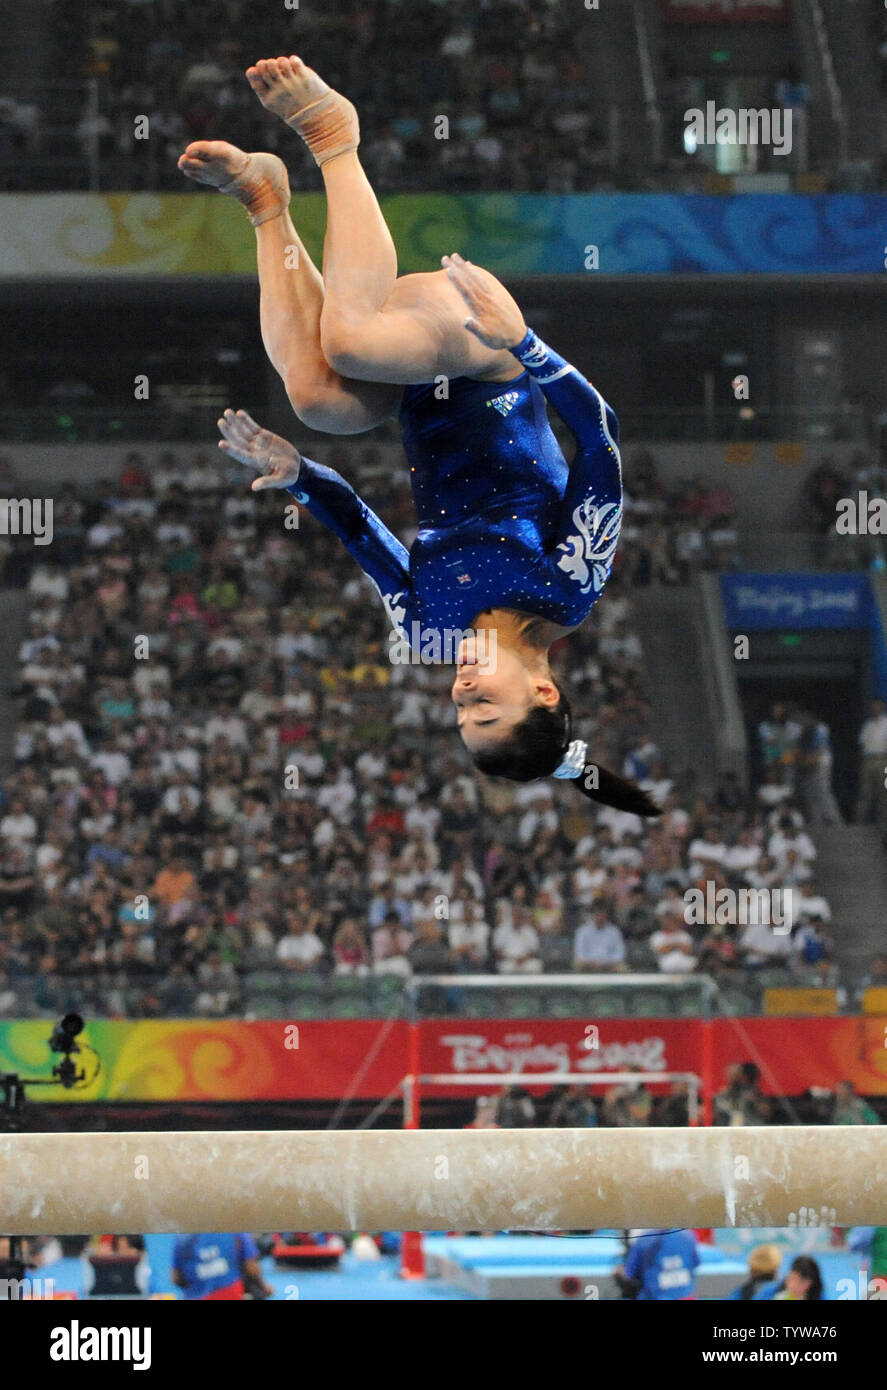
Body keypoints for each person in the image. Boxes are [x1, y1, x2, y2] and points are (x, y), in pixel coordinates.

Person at [181, 54, 657, 820]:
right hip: (484, 353)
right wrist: (527, 343)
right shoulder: (570, 585)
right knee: (352, 345)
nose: (463, 697)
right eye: (488, 710)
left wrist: (298, 472)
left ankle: (265, 201)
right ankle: (334, 137)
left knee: (319, 400)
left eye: (461, 717)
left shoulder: (426, 627)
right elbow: (600, 441)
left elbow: (359, 530)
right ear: (542, 688)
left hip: (411, 384)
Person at [171, 1232, 273, 1300]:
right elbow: (252, 1268)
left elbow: (175, 1278)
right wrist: (264, 1286)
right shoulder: (236, 1229)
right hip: (228, 1292)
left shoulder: (182, 1237)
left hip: (195, 1296)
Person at [614, 1229, 699, 1301]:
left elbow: (630, 1273)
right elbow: (696, 1263)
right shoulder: (688, 1235)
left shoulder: (643, 1240)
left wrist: (618, 1271)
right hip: (686, 1296)